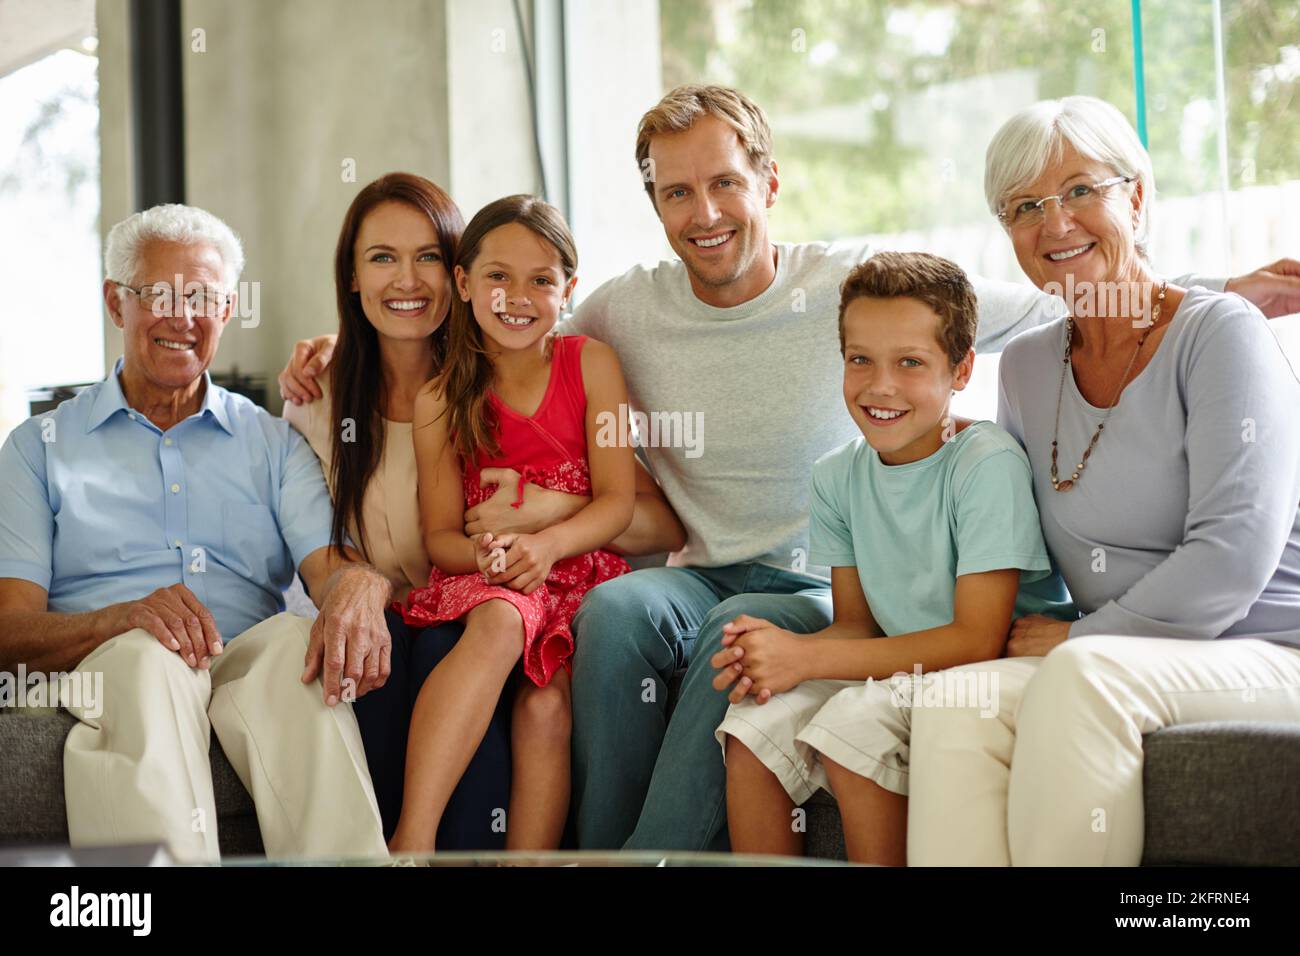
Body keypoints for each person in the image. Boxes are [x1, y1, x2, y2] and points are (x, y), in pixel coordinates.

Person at [276, 85, 1297, 853]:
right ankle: (605, 849)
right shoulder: (621, 309)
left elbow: (1050, 286)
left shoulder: (846, 282)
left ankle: (655, 859)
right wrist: (357, 339)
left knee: (733, 630)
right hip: (695, 565)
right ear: (656, 206)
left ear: (766, 180)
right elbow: (511, 315)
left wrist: (1211, 288)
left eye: (724, 180)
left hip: (818, 577)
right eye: (676, 191)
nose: (704, 208)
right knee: (613, 616)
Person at [902, 95, 1300, 865]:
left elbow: (1230, 561)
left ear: (1138, 200)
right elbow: (1017, 549)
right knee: (957, 704)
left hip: (1271, 647)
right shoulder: (1024, 366)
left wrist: (1081, 637)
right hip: (1114, 657)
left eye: (1082, 190)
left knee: (1083, 676)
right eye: (1025, 206)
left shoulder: (1222, 334)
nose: (1055, 224)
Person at [0, 204, 392, 862]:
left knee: (296, 641)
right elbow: (8, 631)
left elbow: (332, 570)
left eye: (203, 296)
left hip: (237, 660)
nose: (183, 316)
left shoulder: (273, 443)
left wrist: (362, 586)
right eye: (159, 294)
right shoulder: (37, 449)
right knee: (148, 655)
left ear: (228, 308)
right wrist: (119, 620)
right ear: (115, 303)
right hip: (108, 663)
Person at [714, 251, 1067, 865]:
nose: (881, 386)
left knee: (854, 723)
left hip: (988, 669)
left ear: (960, 371)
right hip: (905, 668)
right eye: (860, 360)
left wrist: (805, 656)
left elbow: (977, 638)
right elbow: (857, 624)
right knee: (751, 724)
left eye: (911, 363)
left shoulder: (984, 462)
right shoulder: (836, 477)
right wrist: (770, 655)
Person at [388, 195, 641, 852]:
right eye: (497, 276)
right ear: (465, 283)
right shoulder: (440, 399)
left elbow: (617, 501)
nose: (517, 296)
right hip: (493, 581)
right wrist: (500, 559)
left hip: (577, 572)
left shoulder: (592, 366)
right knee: (503, 616)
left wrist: (548, 543)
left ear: (568, 291)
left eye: (541, 280)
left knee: (546, 706)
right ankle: (410, 842)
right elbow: (440, 538)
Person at [284, 172, 516, 850]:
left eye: (428, 257)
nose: (406, 280)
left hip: (472, 616)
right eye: (381, 257)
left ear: (461, 274)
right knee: (370, 647)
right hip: (377, 618)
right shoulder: (316, 397)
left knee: (446, 644)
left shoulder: (501, 380)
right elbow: (309, 537)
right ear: (352, 278)